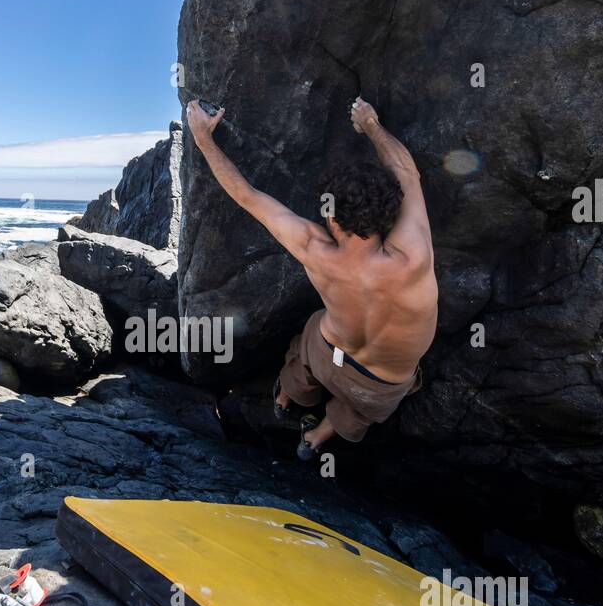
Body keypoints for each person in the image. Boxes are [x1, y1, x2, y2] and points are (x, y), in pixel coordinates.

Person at [185, 96, 438, 458]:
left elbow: (247, 196)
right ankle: (317, 437)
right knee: (364, 406)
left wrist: (203, 139)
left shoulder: (314, 249)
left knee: (313, 331)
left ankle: (288, 395)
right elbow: (407, 173)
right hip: (385, 387)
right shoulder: (415, 254)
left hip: (330, 360)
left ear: (332, 217)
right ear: (388, 216)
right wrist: (369, 123)